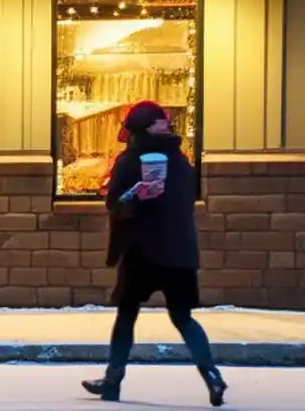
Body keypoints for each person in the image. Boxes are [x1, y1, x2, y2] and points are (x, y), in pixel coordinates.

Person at [82, 101, 227, 407]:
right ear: (152, 126)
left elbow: (115, 204)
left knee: (126, 316)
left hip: (142, 253)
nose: (166, 124)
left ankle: (112, 381)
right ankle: (212, 375)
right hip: (179, 251)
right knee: (183, 318)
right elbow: (185, 204)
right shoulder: (181, 162)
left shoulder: (129, 161)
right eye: (162, 120)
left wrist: (133, 198)